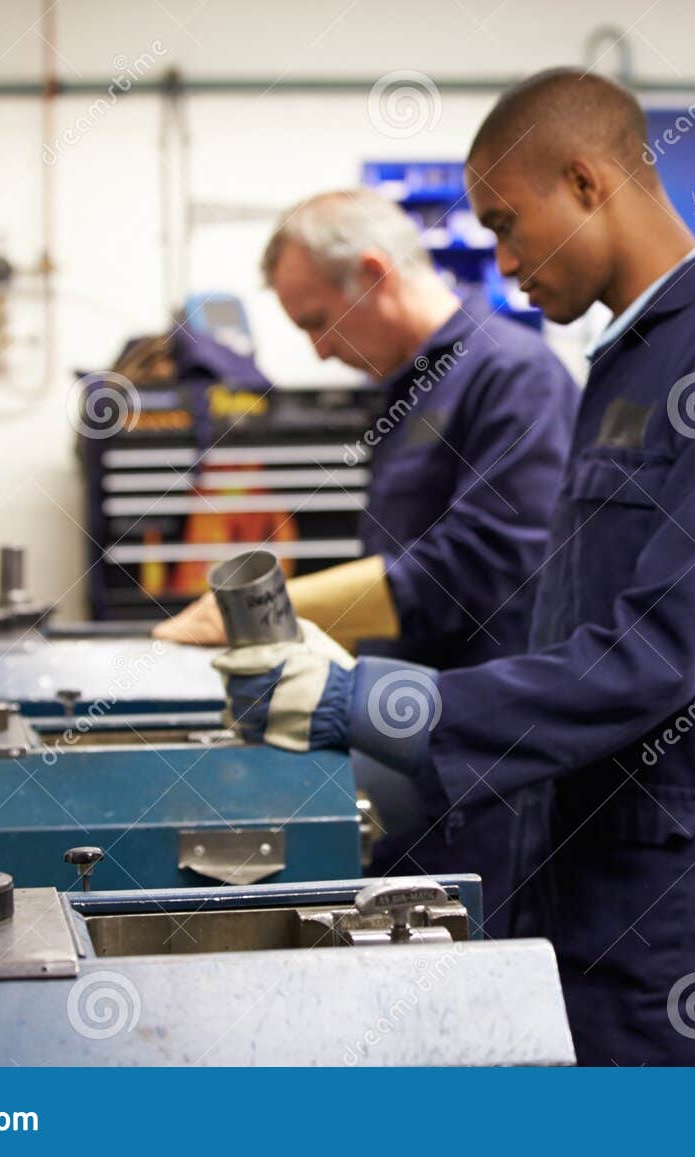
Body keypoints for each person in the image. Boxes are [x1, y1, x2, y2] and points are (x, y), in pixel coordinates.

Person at [210, 71, 695, 1064]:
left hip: (685, 907)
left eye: (509, 224)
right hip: (573, 865)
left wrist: (366, 700)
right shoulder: (622, 367)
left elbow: (658, 656)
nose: (503, 266)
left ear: (588, 182)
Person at [156, 189, 579, 937]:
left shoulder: (513, 376)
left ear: (375, 273)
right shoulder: (411, 392)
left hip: (487, 762)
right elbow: (398, 570)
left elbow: (484, 558)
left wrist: (262, 611)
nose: (317, 349)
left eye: (318, 321)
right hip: (403, 748)